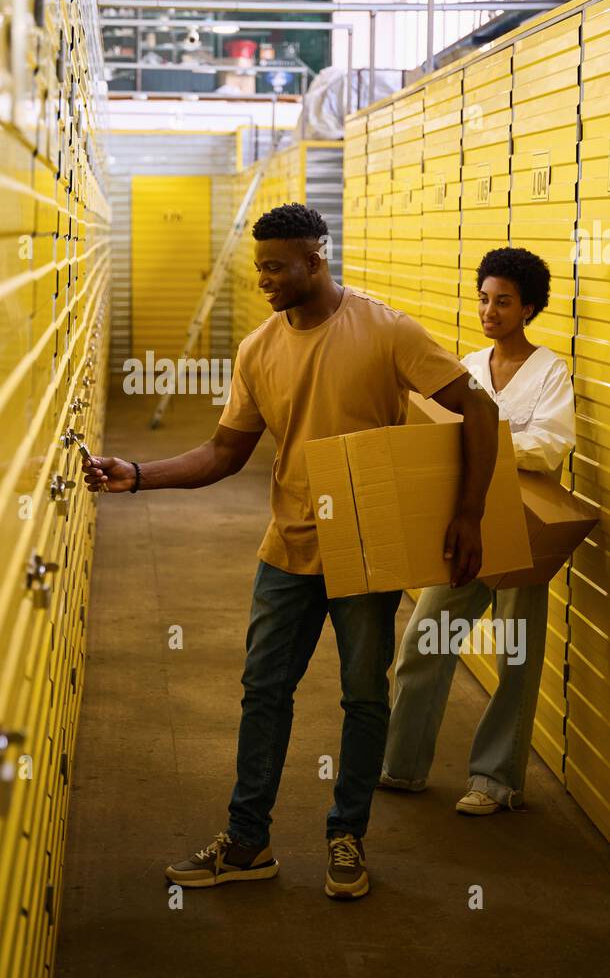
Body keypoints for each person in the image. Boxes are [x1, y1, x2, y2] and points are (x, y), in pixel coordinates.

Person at [81, 204, 499, 899]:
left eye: (278, 266)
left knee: (363, 695)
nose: (265, 278)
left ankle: (347, 836)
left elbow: (476, 407)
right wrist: (139, 475)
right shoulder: (258, 349)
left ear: (316, 258)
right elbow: (224, 452)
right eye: (261, 265)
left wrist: (469, 514)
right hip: (287, 547)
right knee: (264, 693)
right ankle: (248, 843)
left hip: (365, 548)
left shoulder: (384, 329)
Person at [380, 247, 576, 815]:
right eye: (485, 299)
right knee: (424, 640)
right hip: (467, 526)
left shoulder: (549, 371)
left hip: (524, 528)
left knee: (514, 656)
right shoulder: (466, 366)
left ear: (529, 307)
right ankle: (402, 765)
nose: (490, 311)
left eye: (504, 302)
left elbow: (552, 444)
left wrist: (486, 441)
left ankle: (495, 781)